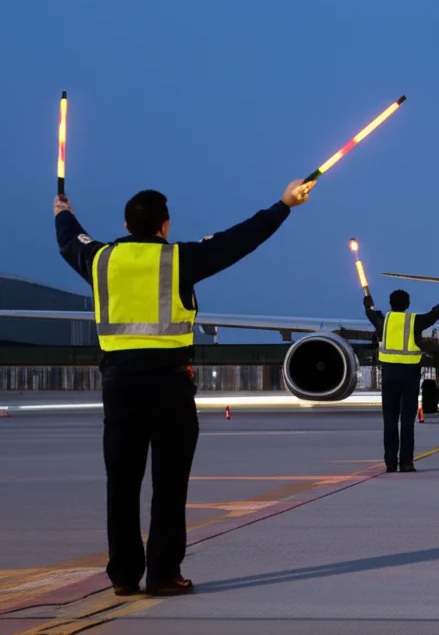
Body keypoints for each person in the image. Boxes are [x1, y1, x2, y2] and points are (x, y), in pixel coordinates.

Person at [52, 178, 315, 597]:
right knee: (169, 486)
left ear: (125, 223)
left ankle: (122, 575)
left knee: (120, 485)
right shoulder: (180, 260)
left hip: (118, 387)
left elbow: (70, 240)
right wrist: (284, 205)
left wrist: (63, 212)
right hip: (169, 387)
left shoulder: (100, 259)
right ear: (165, 226)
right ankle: (162, 574)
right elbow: (240, 240)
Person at [364, 285, 439, 472]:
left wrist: (368, 304)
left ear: (390, 304)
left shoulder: (383, 321)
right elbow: (435, 314)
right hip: (409, 376)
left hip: (389, 376)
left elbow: (371, 314)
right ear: (408, 304)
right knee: (407, 422)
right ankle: (406, 462)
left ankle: (390, 463)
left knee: (390, 421)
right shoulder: (414, 321)